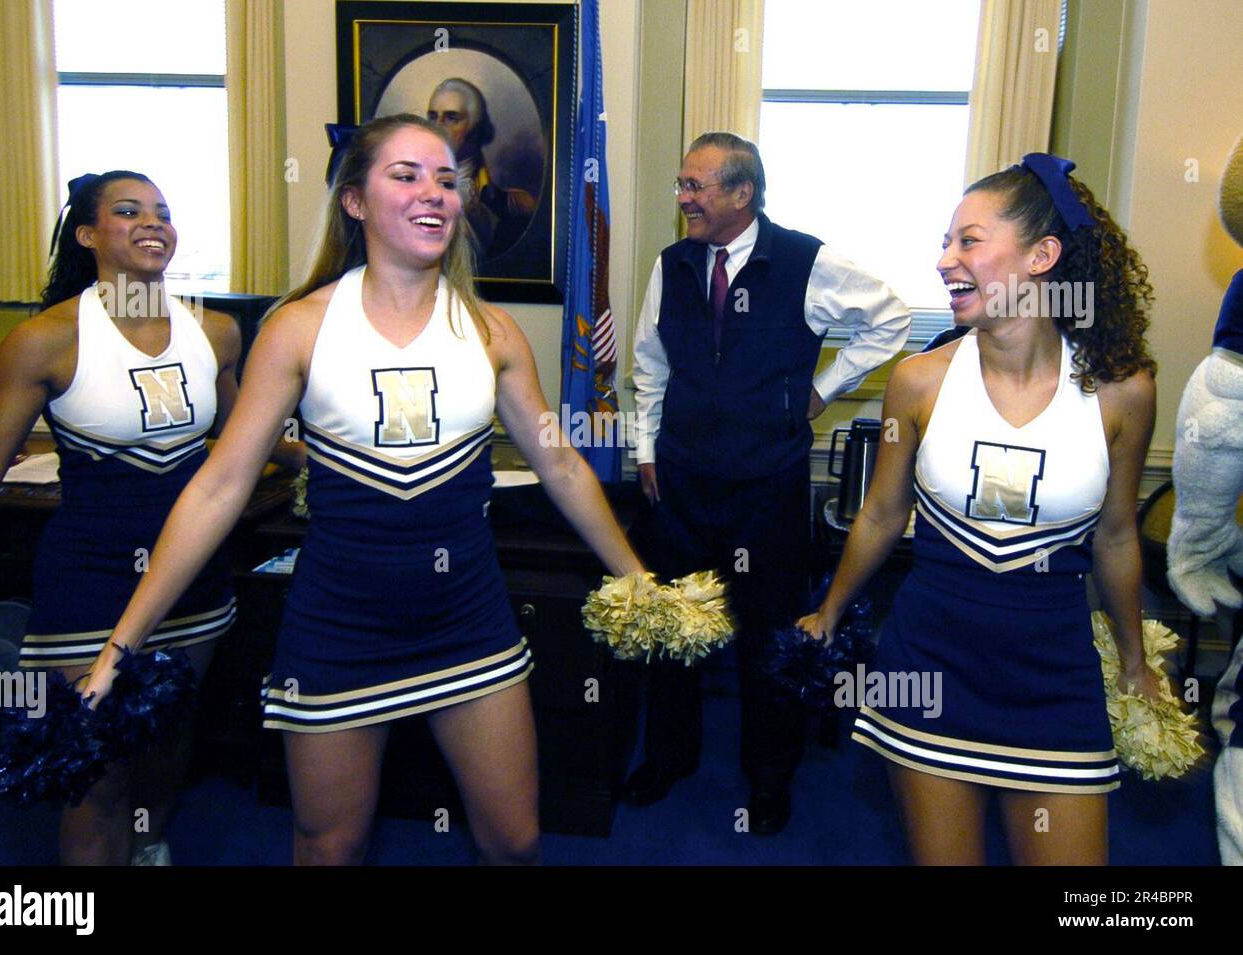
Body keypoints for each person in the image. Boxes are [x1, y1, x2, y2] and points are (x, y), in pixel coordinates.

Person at [80, 114, 644, 865]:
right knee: (330, 846)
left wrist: (638, 579)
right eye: (405, 175)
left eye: (447, 178)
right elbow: (220, 486)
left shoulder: (491, 331)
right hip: (338, 620)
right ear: (354, 201)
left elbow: (562, 463)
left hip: (467, 614)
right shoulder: (298, 328)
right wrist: (122, 644)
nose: (434, 193)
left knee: (515, 841)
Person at [798, 154, 1164, 865]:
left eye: (968, 240)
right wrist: (831, 610)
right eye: (946, 241)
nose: (944, 260)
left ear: (1042, 255)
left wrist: (1132, 659)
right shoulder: (919, 382)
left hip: (1054, 673)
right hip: (933, 664)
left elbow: (1117, 536)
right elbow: (879, 514)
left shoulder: (1123, 390)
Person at [0, 170, 295, 865]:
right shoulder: (44, 340)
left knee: (165, 737)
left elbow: (249, 436)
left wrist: (336, 457)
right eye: (127, 211)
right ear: (87, 234)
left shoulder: (217, 331)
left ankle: (148, 849)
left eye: (162, 212)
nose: (151, 223)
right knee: (95, 764)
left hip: (195, 580)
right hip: (91, 579)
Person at [629, 132, 910, 833]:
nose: (684, 198)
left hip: (768, 490)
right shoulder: (672, 264)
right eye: (682, 185)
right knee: (673, 628)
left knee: (771, 642)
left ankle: (770, 778)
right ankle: (669, 757)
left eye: (696, 186)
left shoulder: (806, 261)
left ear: (742, 192)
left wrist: (821, 392)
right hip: (683, 482)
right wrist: (644, 447)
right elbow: (648, 360)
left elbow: (891, 319)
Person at [427, 77, 537, 260]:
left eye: (451, 117)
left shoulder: (515, 206)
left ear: (475, 129)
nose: (437, 127)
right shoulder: (410, 194)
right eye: (432, 117)